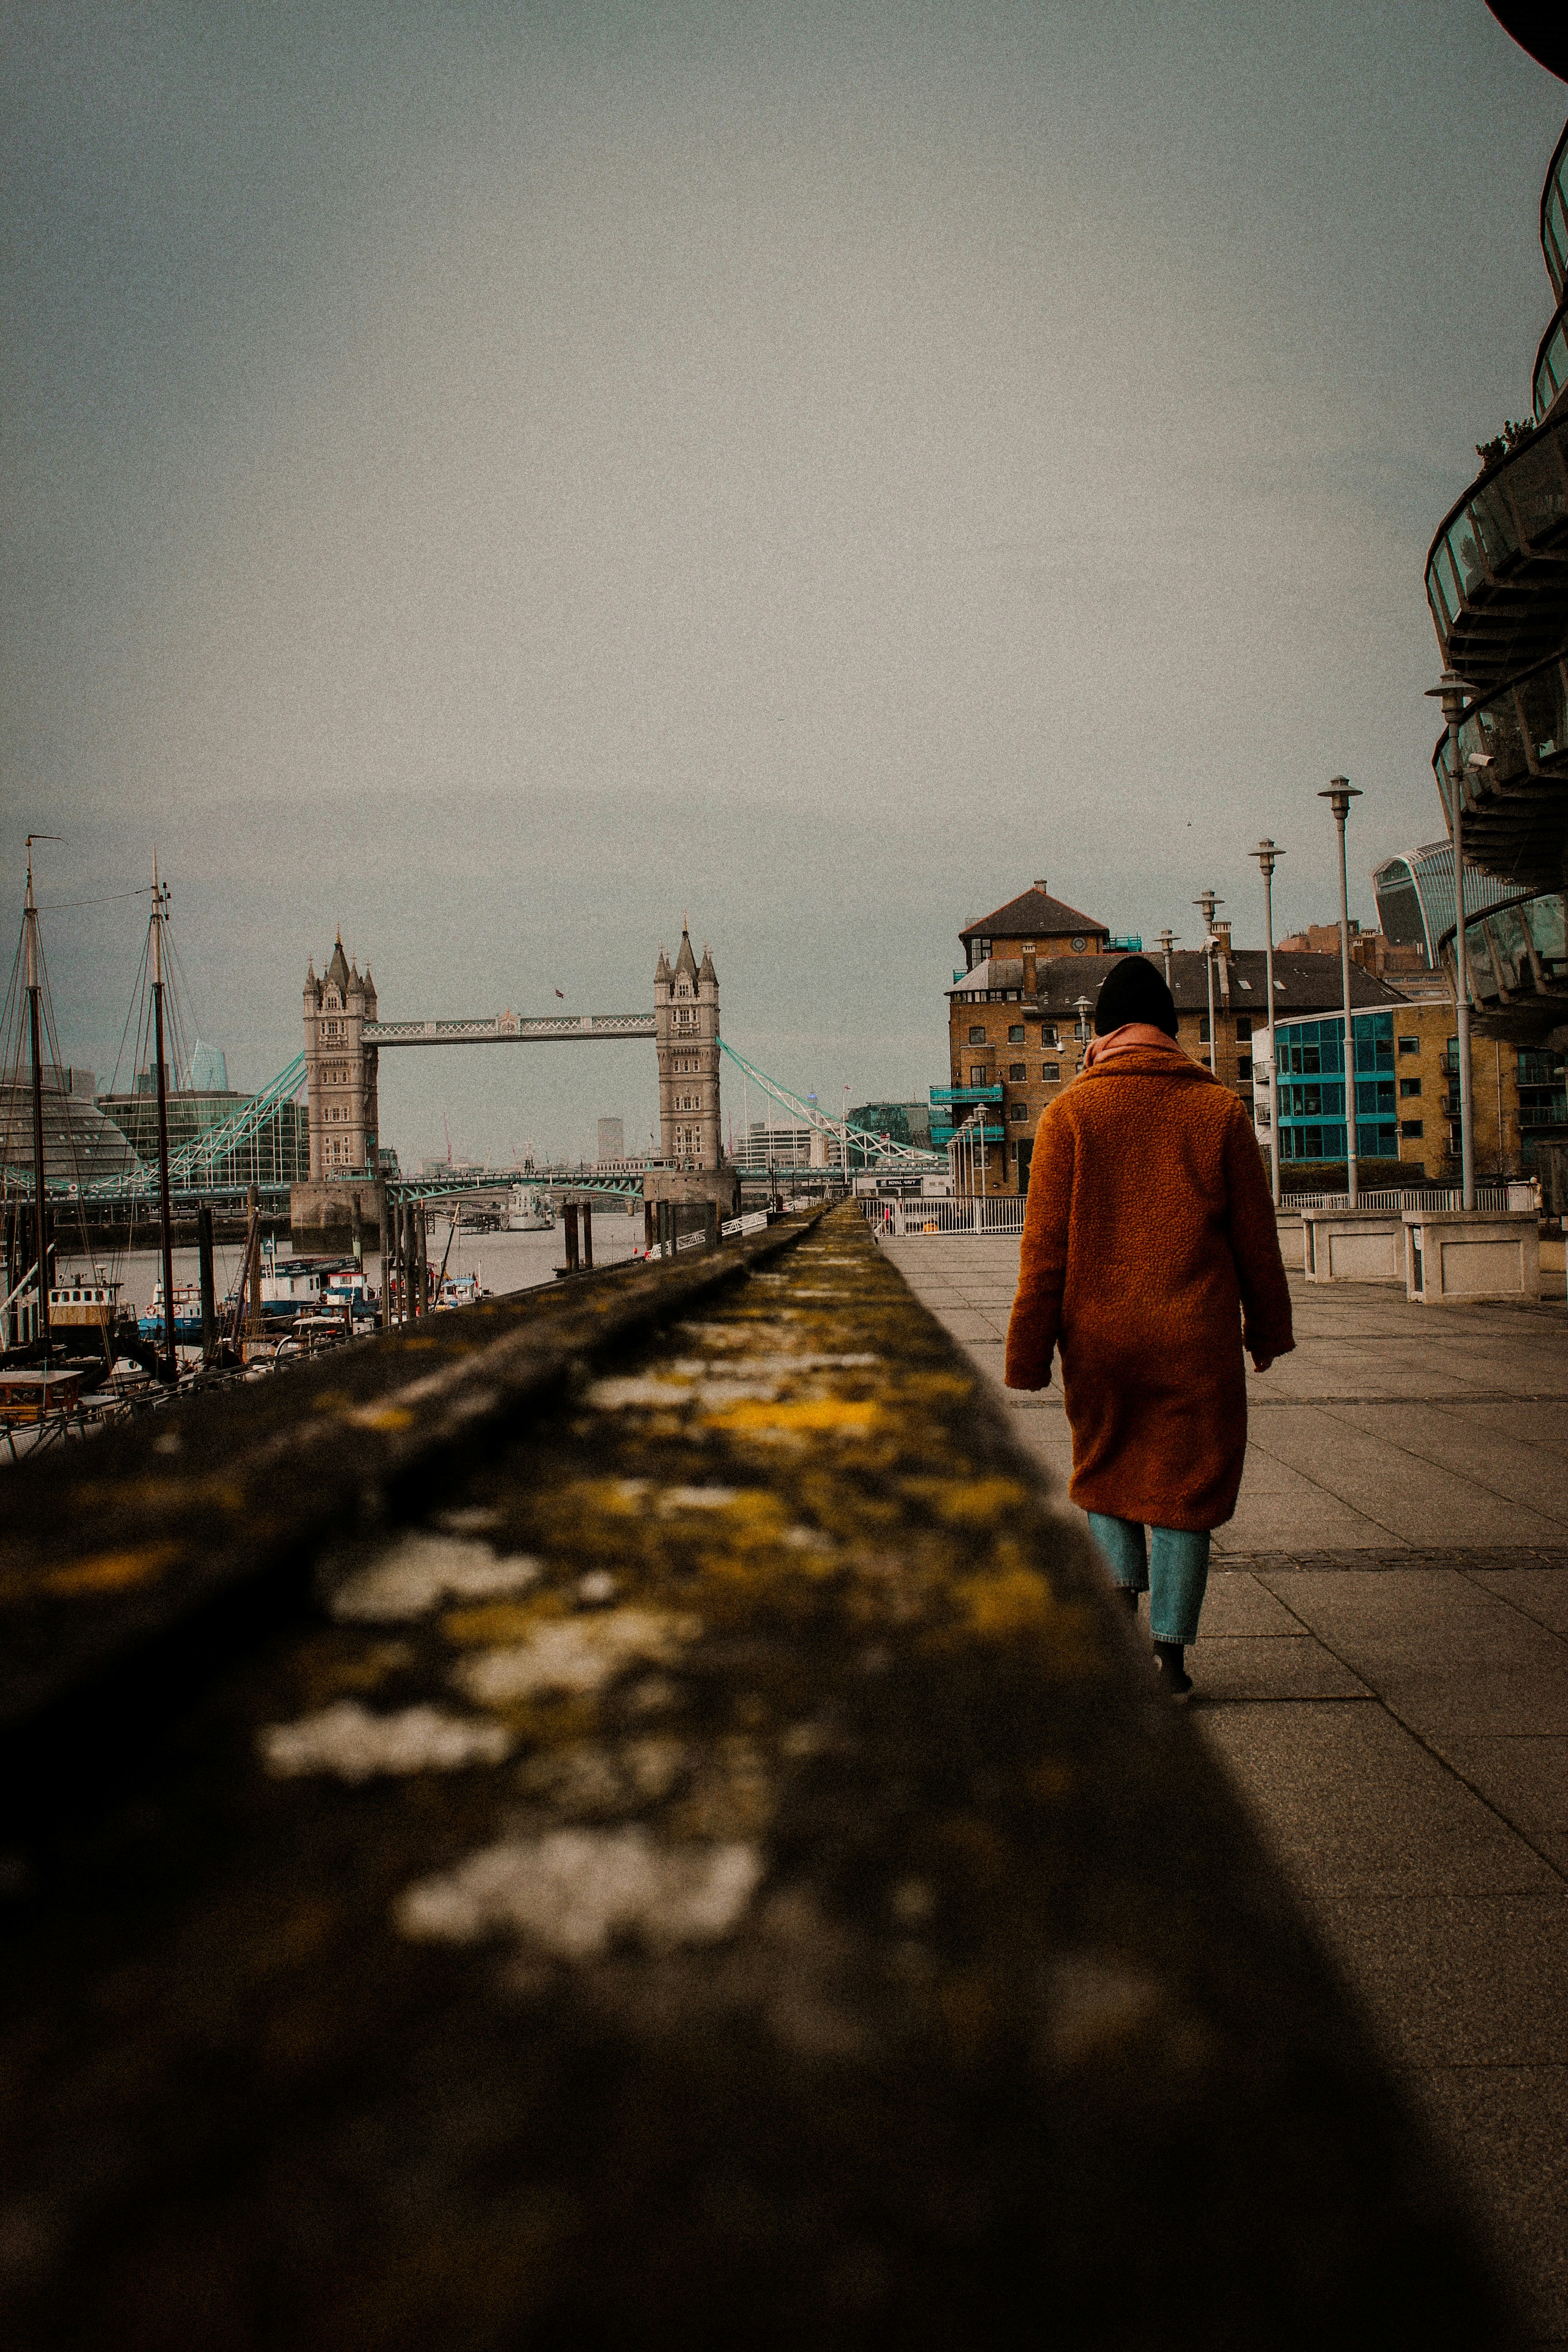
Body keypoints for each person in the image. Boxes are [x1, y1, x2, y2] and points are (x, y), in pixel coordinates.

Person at [1004, 954, 1294, 1699]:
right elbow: (1256, 1242)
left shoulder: (1069, 1114)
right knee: (1186, 1490)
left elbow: (1045, 1253)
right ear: (1170, 1033)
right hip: (1194, 1337)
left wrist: (1029, 1356)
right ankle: (1170, 1660)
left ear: (1101, 1035)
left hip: (1099, 1336)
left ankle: (1116, 1626)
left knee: (1105, 1471)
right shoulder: (1219, 1111)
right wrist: (1266, 1331)